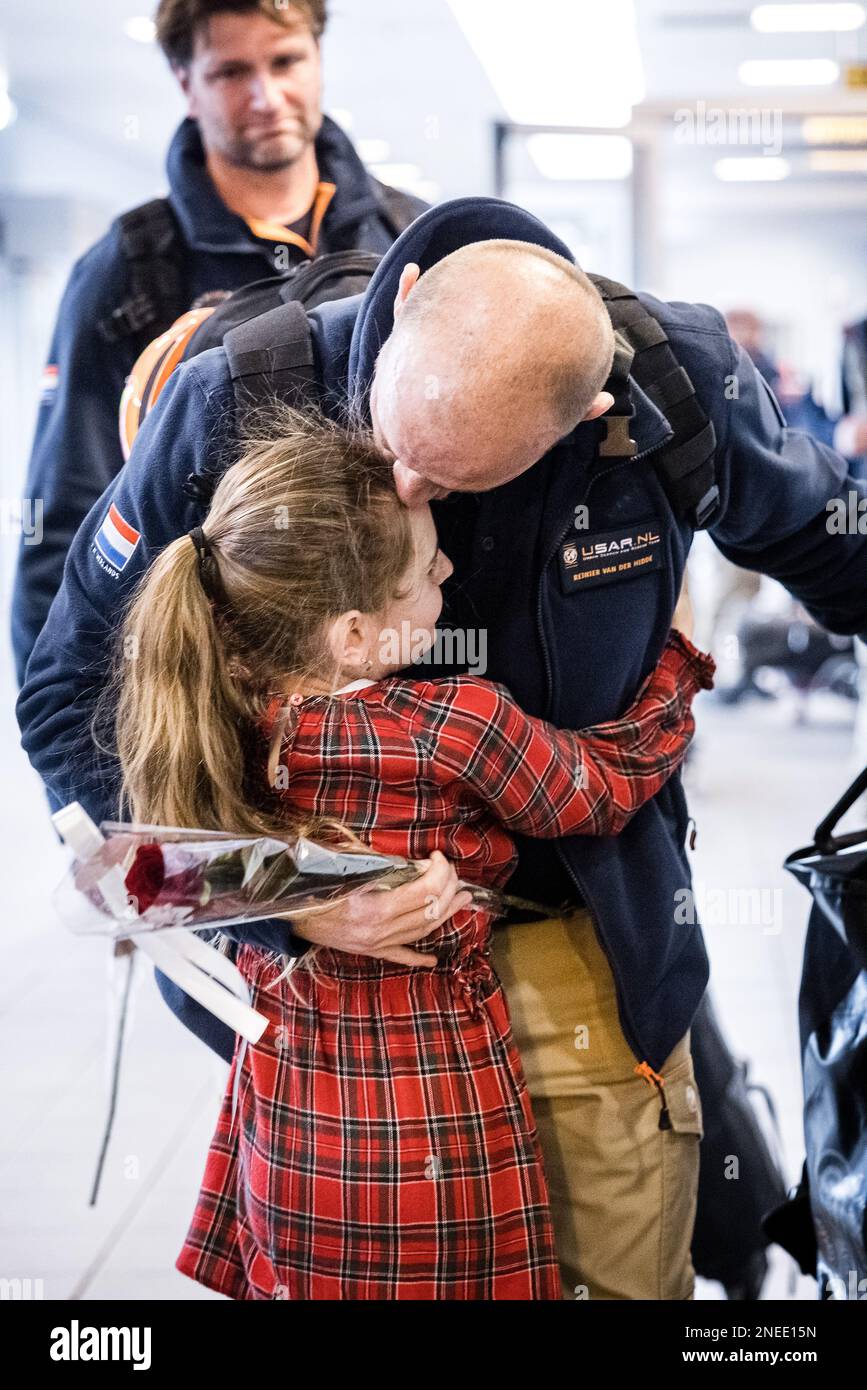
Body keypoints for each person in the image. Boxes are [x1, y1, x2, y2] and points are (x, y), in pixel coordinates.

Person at [18, 197, 867, 1299]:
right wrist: (285, 897)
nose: (411, 503)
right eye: (390, 447)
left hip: (584, 957)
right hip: (328, 993)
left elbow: (844, 558)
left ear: (582, 414)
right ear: (403, 304)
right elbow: (65, 702)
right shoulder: (237, 396)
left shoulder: (673, 389)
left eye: (455, 480)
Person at [111, 406, 713, 1299]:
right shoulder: (452, 724)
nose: (451, 571)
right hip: (435, 1116)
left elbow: (144, 882)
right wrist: (675, 663)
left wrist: (290, 894)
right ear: (355, 635)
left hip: (290, 1121)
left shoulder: (211, 720)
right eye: (429, 572)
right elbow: (599, 786)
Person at [10, 0, 425, 685]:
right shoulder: (128, 271)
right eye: (232, 71)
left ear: (317, 58)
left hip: (393, 691)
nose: (265, 96)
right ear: (186, 83)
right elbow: (63, 531)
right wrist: (77, 770)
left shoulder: (407, 241)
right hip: (205, 693)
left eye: (285, 61)